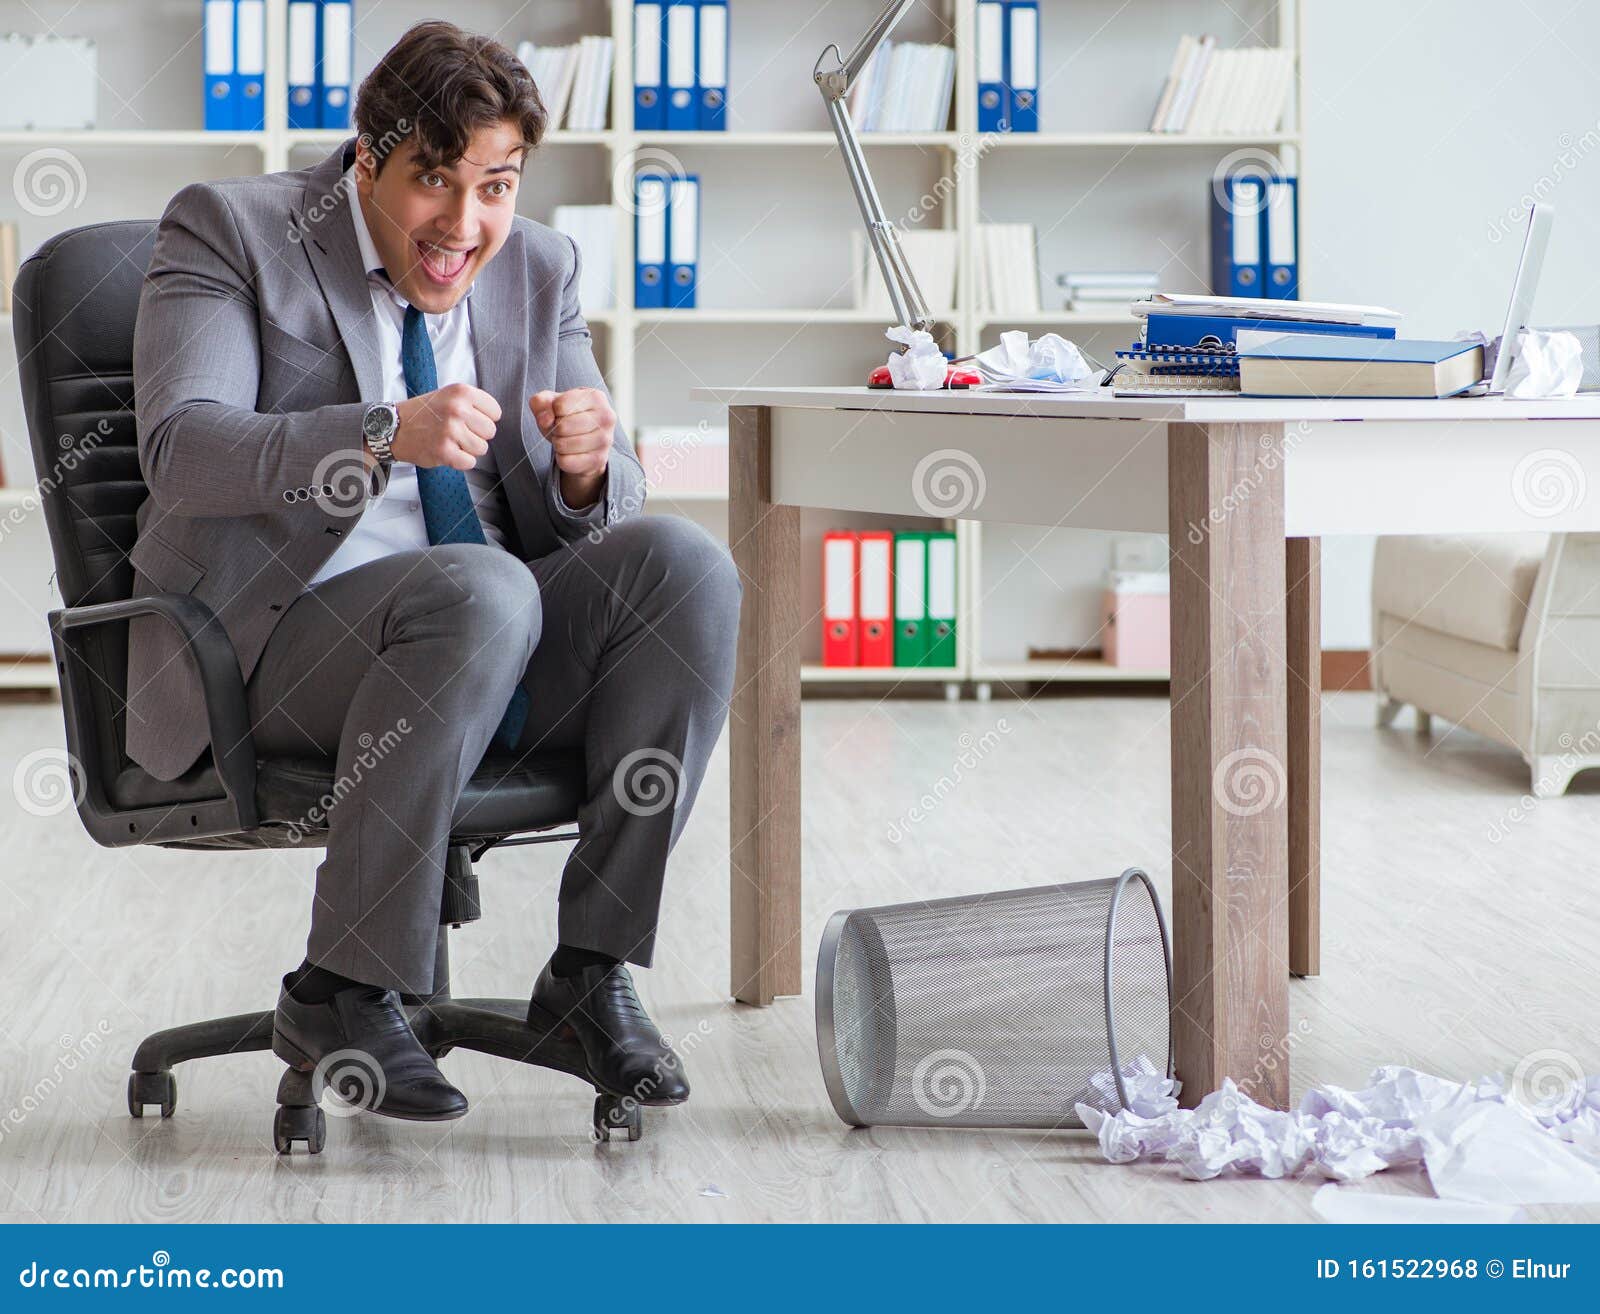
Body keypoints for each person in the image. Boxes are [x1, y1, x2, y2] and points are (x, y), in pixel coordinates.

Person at [126, 20, 740, 1120]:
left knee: (686, 565)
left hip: (482, 637)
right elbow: (182, 449)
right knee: (481, 586)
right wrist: (376, 433)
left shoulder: (539, 265)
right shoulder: (233, 231)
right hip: (273, 649)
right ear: (368, 161)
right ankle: (340, 985)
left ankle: (590, 974)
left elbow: (588, 518)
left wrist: (596, 475)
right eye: (433, 182)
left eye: (495, 186)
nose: (465, 226)